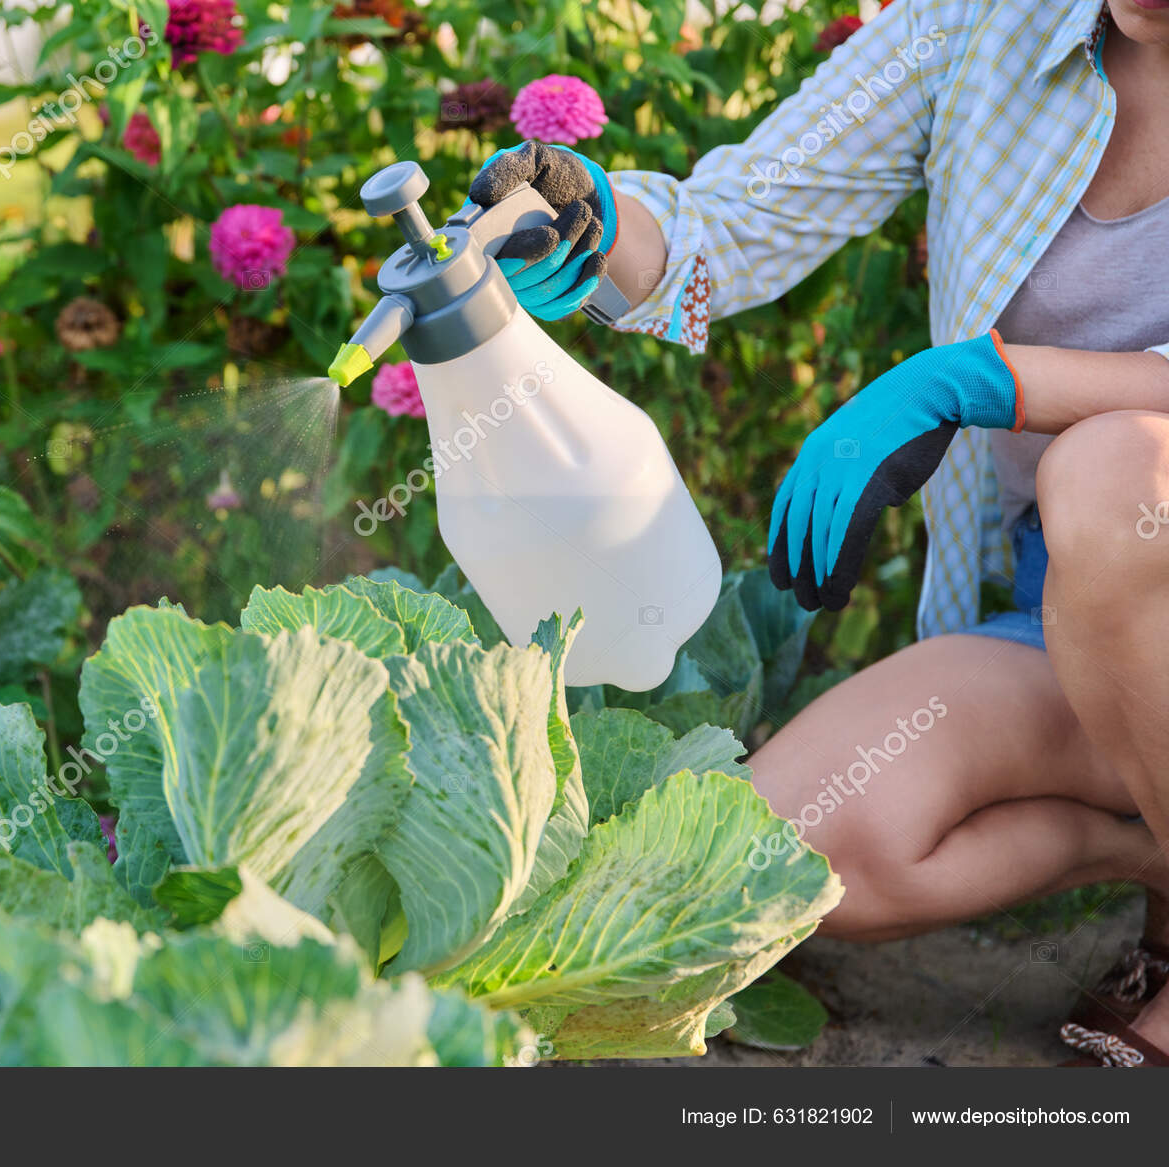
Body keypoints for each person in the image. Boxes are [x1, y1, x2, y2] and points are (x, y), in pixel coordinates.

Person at [471, 0, 1169, 1066]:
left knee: (1113, 474)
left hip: (1129, 528)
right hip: (1083, 613)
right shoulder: (984, 24)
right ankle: (1153, 857)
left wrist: (983, 381)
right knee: (793, 846)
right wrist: (600, 225)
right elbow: (742, 216)